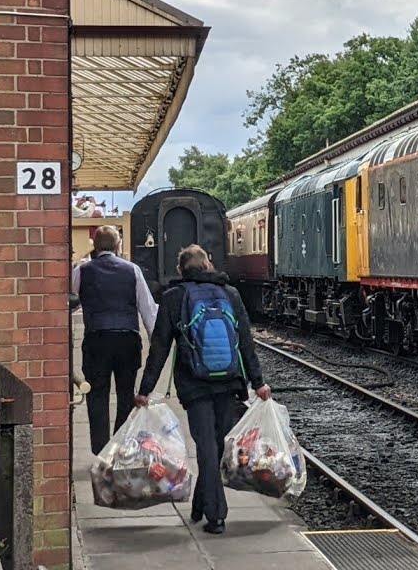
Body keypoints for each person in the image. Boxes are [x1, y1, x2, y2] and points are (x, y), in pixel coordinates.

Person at [136, 244, 271, 535]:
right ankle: (204, 506)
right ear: (208, 265)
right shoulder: (230, 293)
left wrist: (145, 389)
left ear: (180, 269)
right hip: (228, 382)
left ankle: (215, 514)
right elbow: (246, 342)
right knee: (216, 446)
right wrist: (258, 382)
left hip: (194, 384)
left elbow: (159, 347)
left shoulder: (174, 297)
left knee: (207, 448)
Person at [71, 225, 159, 454]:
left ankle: (101, 450)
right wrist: (157, 343)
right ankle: (121, 447)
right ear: (118, 244)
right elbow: (148, 310)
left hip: (96, 340)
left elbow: (69, 298)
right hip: (127, 340)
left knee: (97, 396)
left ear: (95, 245)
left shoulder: (82, 271)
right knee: (125, 394)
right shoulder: (133, 270)